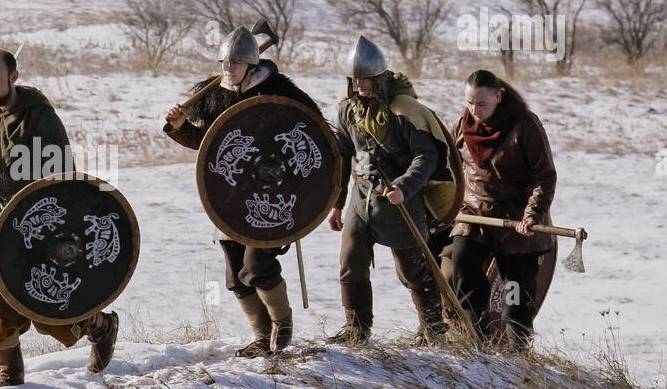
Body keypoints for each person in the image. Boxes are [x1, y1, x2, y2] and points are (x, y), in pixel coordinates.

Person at [0, 48, 119, 387]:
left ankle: (100, 326)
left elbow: (63, 174)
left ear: (13, 77)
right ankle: (11, 373)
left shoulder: (41, 117)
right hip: (0, 216)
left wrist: (57, 222)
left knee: (47, 299)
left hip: (43, 217)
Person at [163, 25, 323, 356]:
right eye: (224, 63)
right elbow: (210, 147)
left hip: (277, 197)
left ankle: (283, 324)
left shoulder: (282, 93)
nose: (227, 70)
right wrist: (181, 129)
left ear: (250, 66)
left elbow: (312, 141)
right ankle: (263, 338)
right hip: (234, 197)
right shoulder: (218, 96)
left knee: (257, 266)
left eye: (234, 64)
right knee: (236, 276)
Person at [328, 36, 455, 345]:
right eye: (355, 79)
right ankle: (357, 330)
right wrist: (337, 203)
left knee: (411, 271)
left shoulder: (404, 112)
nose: (359, 85)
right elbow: (344, 156)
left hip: (400, 201)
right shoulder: (348, 111)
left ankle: (433, 329)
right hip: (362, 199)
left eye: (366, 79)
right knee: (350, 261)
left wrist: (404, 186)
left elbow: (427, 156)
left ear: (379, 78)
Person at [447, 69, 557, 350]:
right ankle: (477, 343)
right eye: (470, 102)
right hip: (474, 213)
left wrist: (531, 215)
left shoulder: (524, 125)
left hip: (516, 219)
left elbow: (544, 176)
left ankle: (517, 354)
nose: (474, 110)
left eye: (481, 103)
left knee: (516, 294)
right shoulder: (462, 123)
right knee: (462, 266)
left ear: (498, 96)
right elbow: (448, 165)